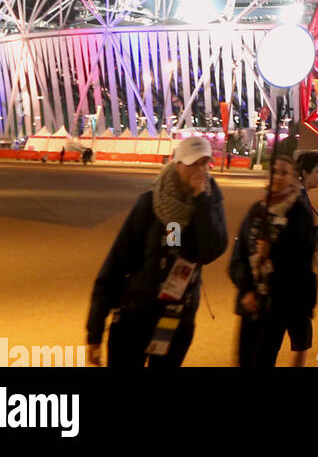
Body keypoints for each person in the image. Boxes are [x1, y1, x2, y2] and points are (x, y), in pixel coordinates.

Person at [86, 135, 228, 367]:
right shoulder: (150, 204)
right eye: (193, 163)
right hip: (136, 315)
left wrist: (202, 199)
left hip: (175, 318)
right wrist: (95, 329)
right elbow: (116, 263)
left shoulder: (209, 205)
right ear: (177, 163)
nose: (199, 170)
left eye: (204, 163)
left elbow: (211, 250)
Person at [229, 149, 318, 367]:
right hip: (250, 304)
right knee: (244, 359)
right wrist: (246, 289)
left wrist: (273, 251)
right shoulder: (257, 210)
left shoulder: (298, 213)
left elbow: (300, 262)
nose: (278, 177)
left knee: (264, 358)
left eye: (284, 173)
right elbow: (239, 255)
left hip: (278, 305)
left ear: (293, 177)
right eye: (275, 172)